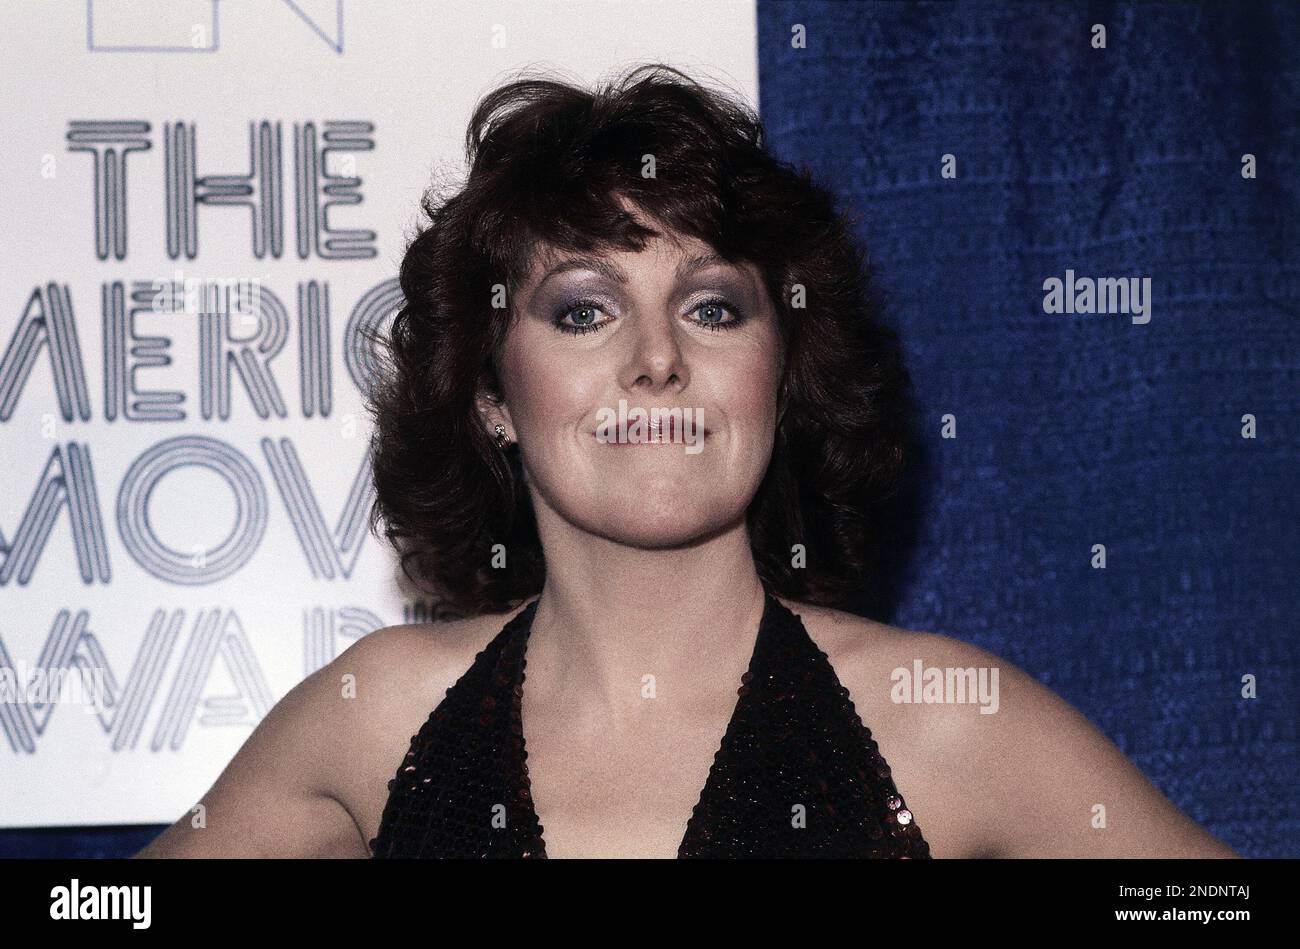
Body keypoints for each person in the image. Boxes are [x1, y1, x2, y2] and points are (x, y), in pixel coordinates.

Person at [135, 64, 1238, 859]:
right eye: (582, 314)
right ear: (490, 395)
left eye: (711, 308)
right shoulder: (373, 714)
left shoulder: (946, 719)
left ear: (781, 368)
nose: (657, 359)